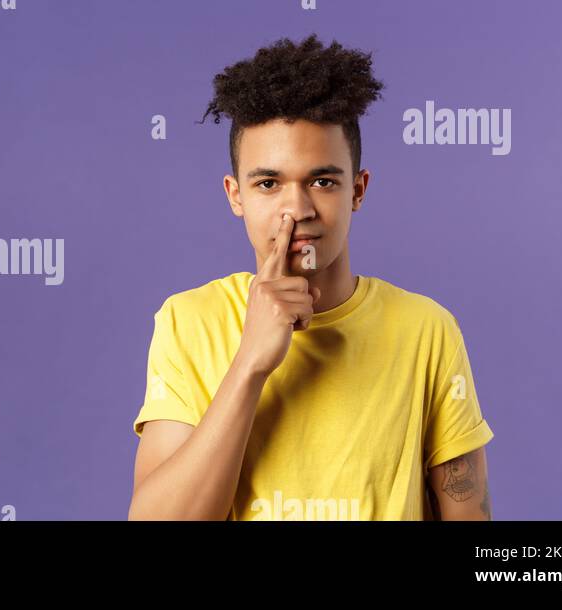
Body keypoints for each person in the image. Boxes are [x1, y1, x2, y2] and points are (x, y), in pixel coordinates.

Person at [129, 35, 494, 521]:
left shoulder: (427, 329)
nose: (297, 209)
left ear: (358, 190)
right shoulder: (190, 321)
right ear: (235, 195)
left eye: (322, 181)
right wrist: (250, 365)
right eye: (268, 183)